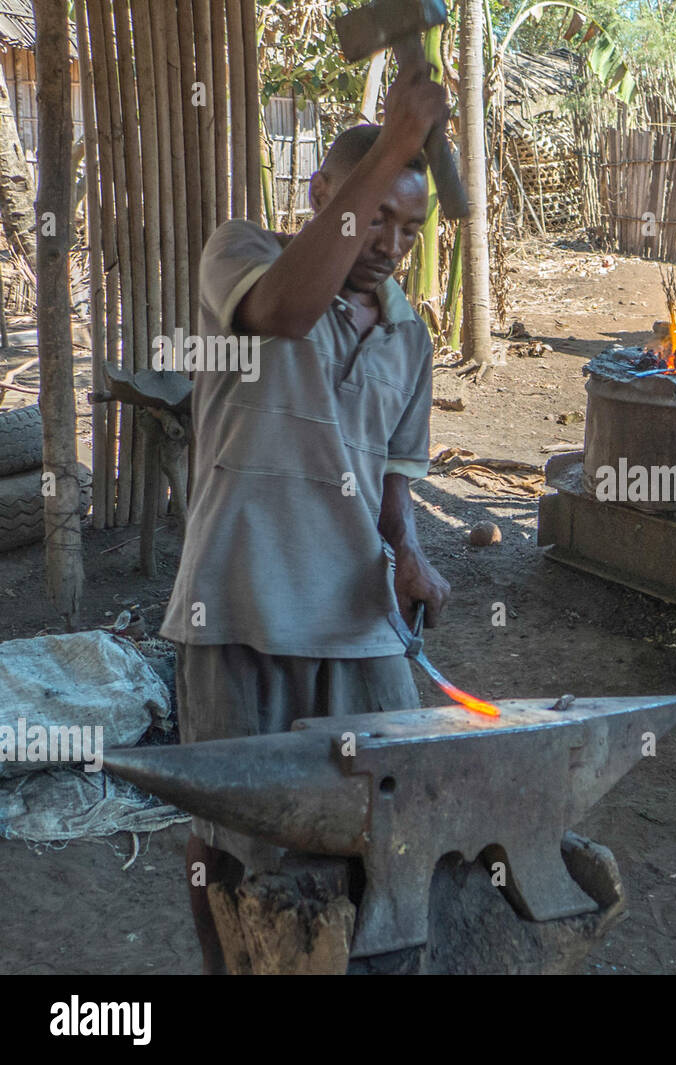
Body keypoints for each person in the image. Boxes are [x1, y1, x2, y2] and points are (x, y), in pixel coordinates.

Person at [158, 60, 452, 972]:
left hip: (358, 623)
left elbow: (392, 485)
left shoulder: (411, 336)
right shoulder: (241, 254)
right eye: (377, 215)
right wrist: (400, 137)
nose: (392, 243)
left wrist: (407, 554)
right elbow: (286, 311)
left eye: (410, 226)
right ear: (324, 192)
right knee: (228, 829)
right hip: (235, 600)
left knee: (383, 809)